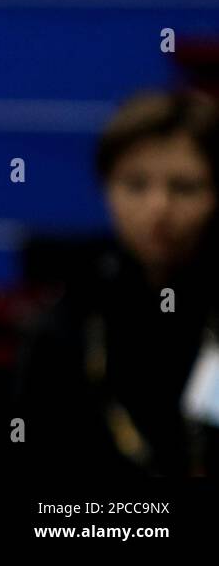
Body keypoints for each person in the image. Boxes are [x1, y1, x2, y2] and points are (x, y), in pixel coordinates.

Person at [13, 89, 219, 475]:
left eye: (185, 187)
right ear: (106, 188)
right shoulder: (68, 319)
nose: (158, 208)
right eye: (136, 185)